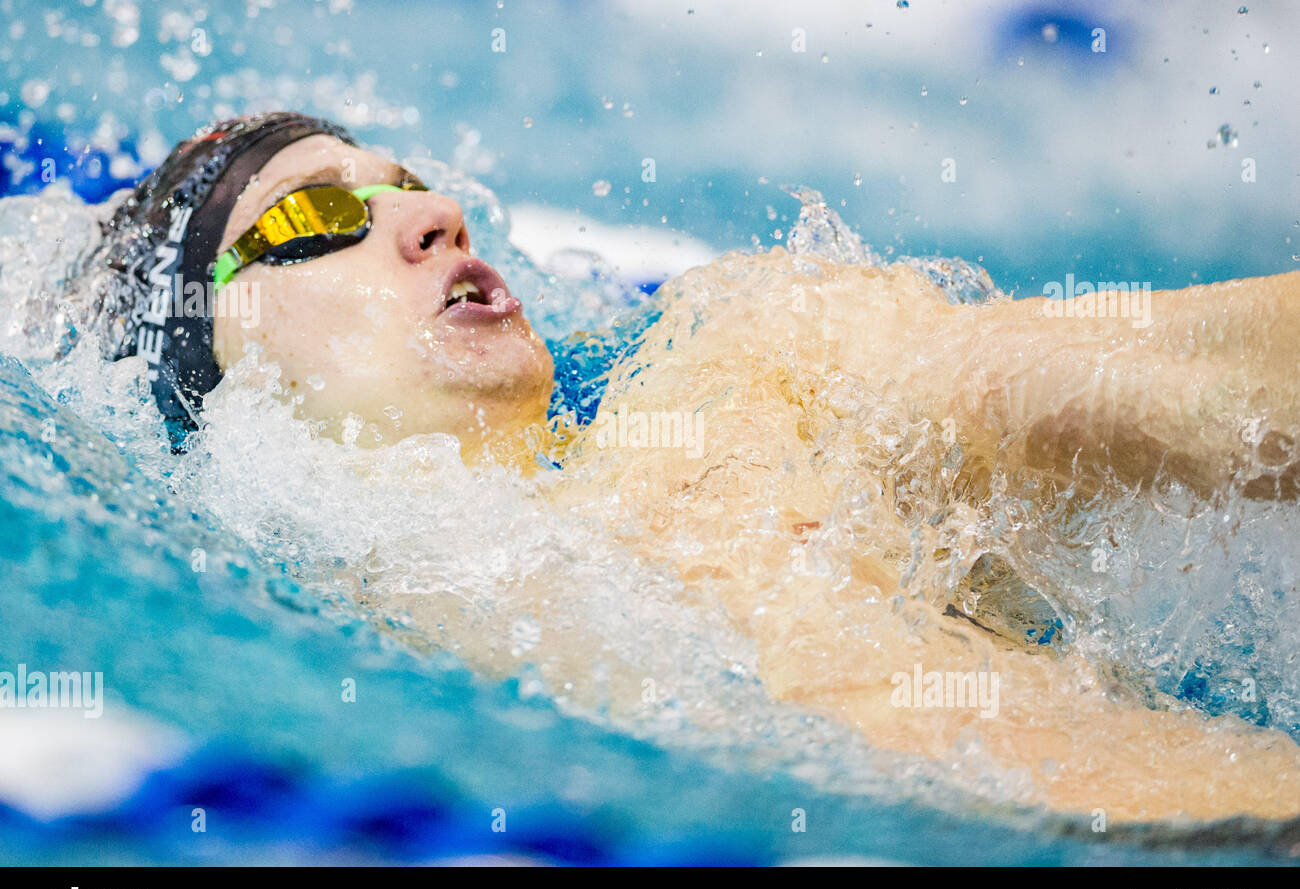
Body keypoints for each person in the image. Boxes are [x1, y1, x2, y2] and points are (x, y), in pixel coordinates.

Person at [90, 112, 1300, 823]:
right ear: (214, 360)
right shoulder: (347, 674)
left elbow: (1219, 389)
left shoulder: (761, 376)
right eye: (313, 222)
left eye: (408, 185)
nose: (439, 211)